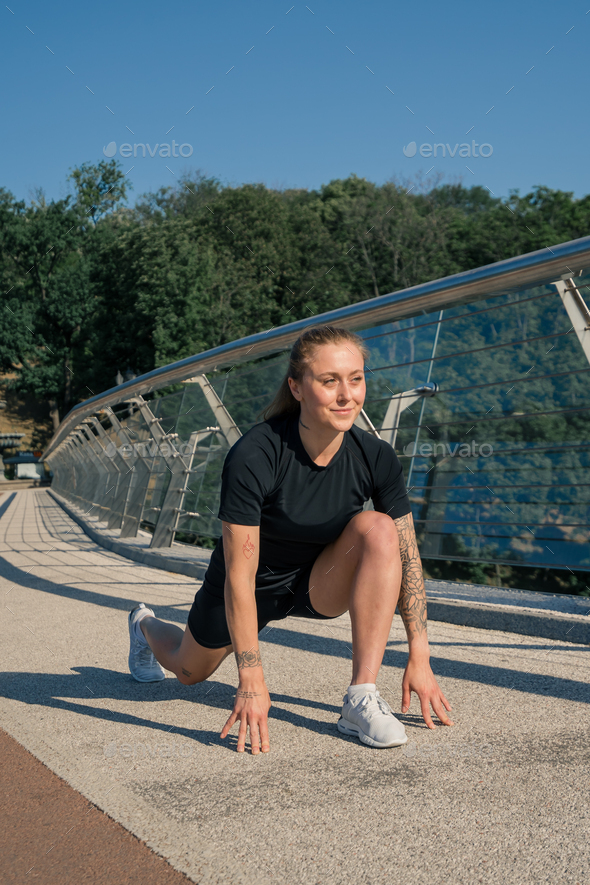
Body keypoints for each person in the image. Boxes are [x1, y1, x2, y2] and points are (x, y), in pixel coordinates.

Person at [128, 324, 453, 753]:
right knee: (188, 672)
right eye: (329, 381)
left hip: (319, 581)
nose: (347, 395)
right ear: (297, 388)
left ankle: (360, 697)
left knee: (378, 527)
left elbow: (407, 555)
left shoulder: (375, 456)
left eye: (356, 379)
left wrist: (420, 652)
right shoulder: (255, 455)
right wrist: (250, 677)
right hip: (251, 586)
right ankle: (144, 626)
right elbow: (239, 578)